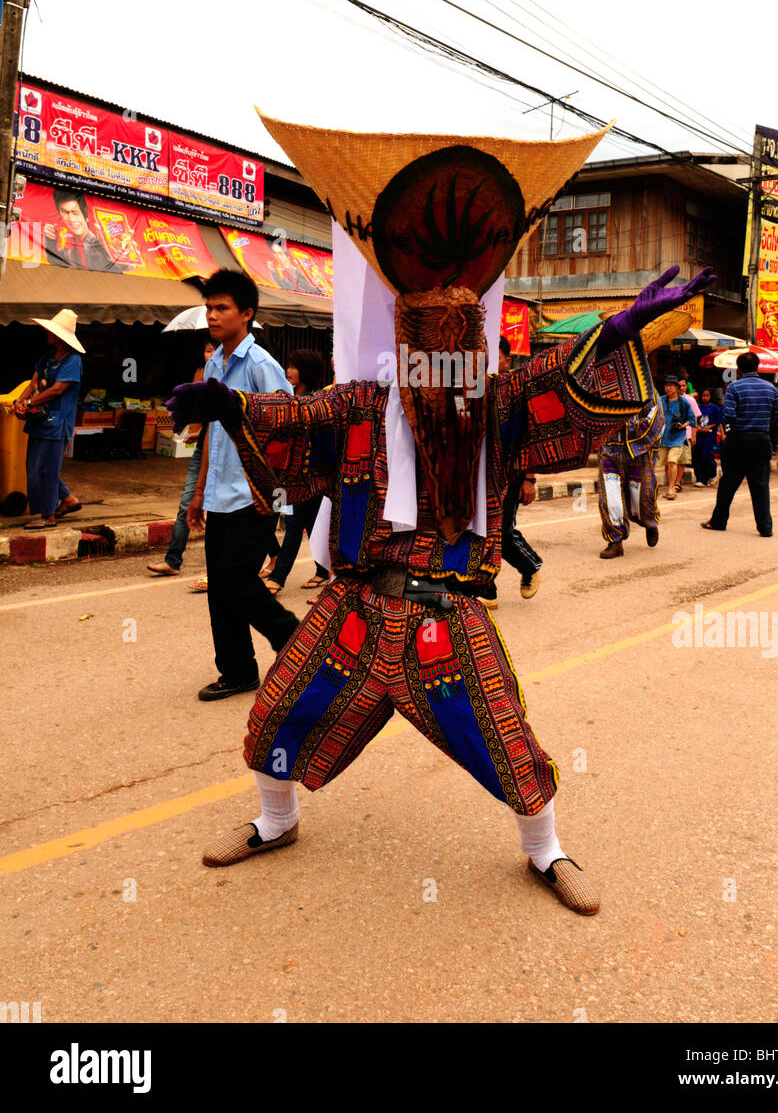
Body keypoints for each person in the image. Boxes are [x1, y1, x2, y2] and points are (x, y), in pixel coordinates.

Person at [168, 114, 715, 915]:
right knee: (279, 712)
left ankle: (547, 851)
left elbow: (561, 374)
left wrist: (622, 326)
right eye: (427, 351)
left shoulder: (498, 409)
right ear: (404, 345)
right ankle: (272, 822)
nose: (442, 368)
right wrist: (228, 405)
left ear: (476, 352)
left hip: (445, 612)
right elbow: (294, 422)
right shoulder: (361, 405)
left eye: (458, 353)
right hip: (354, 604)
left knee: (503, 735)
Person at [187, 269, 300, 700]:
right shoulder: (214, 362)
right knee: (221, 588)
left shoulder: (261, 366)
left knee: (238, 581)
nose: (212, 316)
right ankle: (237, 671)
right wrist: (198, 494)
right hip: (221, 494)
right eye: (209, 307)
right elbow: (212, 434)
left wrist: (278, 497)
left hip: (257, 496)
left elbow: (289, 430)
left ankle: (294, 643)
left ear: (246, 314)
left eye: (222, 308)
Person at [477, 337, 541, 610]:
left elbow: (531, 437)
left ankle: (530, 565)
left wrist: (529, 478)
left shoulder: (518, 392)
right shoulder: (472, 388)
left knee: (500, 532)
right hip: (478, 473)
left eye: (495, 356)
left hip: (511, 473)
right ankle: (487, 590)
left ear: (506, 359)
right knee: (476, 532)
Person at [263, 349, 330, 598]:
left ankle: (277, 578)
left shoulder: (315, 400)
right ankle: (324, 571)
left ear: (307, 371)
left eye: (294, 367)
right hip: (285, 474)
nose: (288, 371)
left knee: (293, 524)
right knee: (309, 524)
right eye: (288, 365)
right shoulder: (288, 397)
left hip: (307, 474)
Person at [146, 340, 215, 578]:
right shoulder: (201, 374)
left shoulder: (232, 375)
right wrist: (199, 432)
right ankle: (173, 560)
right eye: (206, 350)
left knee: (224, 511)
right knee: (187, 503)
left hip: (226, 452)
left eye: (214, 350)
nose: (210, 355)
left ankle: (274, 556)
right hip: (203, 450)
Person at [13, 309, 84, 529]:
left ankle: (47, 515)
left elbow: (57, 390)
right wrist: (19, 402)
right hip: (39, 421)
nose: (46, 333)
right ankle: (68, 500)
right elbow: (33, 383)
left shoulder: (73, 361)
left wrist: (29, 404)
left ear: (62, 337)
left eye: (51, 331)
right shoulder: (45, 358)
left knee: (45, 470)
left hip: (57, 423)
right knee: (35, 467)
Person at [701, 350, 778, 536]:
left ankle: (719, 521)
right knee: (760, 485)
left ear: (739, 368)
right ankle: (765, 528)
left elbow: (729, 414)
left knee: (728, 483)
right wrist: (761, 424)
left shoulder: (734, 388)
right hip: (762, 439)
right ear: (757, 367)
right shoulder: (770, 388)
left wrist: (737, 428)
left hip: (739, 439)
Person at [596, 400, 662, 558]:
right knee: (610, 495)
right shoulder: (601, 389)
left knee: (641, 497)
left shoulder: (646, 389)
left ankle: (649, 521)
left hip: (638, 449)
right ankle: (615, 541)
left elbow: (656, 418)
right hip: (608, 447)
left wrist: (633, 432)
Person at [43, 189, 132, 272]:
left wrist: (109, 249)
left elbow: (127, 267)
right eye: (65, 213)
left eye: (75, 212)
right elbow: (53, 260)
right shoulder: (69, 247)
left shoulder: (98, 242)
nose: (71, 219)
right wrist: (50, 240)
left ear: (84, 213)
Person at [657, 375, 690, 500]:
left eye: (671, 385)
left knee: (672, 461)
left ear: (676, 387)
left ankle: (672, 488)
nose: (668, 388)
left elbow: (692, 420)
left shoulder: (684, 402)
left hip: (678, 436)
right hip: (664, 436)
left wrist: (684, 425)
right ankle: (670, 486)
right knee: (667, 463)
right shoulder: (661, 400)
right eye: (666, 385)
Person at [692, 386, 721, 486]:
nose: (705, 398)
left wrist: (708, 426)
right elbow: (694, 419)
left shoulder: (715, 408)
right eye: (703, 396)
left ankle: (712, 473)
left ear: (710, 397)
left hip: (710, 435)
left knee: (706, 454)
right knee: (697, 456)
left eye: (707, 395)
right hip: (699, 434)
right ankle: (700, 479)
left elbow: (718, 422)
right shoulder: (698, 407)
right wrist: (698, 427)